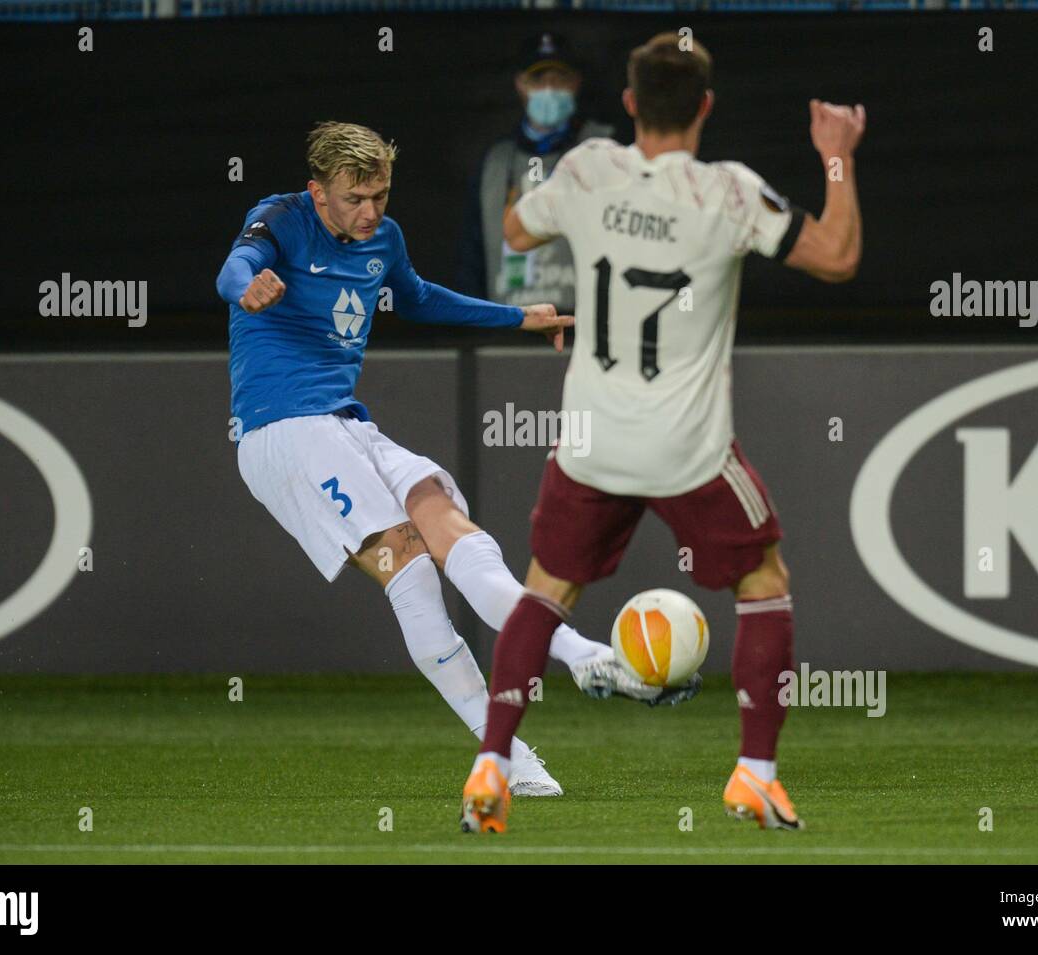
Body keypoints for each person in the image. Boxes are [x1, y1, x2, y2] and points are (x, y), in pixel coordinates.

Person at [460, 32, 865, 832]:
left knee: (546, 590)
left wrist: (584, 203)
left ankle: (492, 762)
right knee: (763, 583)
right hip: (686, 447)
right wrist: (837, 156)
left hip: (592, 439)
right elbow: (839, 254)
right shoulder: (729, 192)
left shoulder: (587, 169)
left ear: (632, 104)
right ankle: (754, 773)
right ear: (706, 108)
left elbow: (512, 232)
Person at [215, 122, 687, 799]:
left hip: (348, 425)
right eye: (355, 197)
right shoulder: (281, 219)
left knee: (454, 531)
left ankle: (586, 659)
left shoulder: (384, 236)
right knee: (411, 575)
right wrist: (245, 287)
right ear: (319, 193)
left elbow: (421, 298)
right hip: (281, 433)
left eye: (380, 193)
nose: (371, 210)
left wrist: (519, 318)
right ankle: (511, 754)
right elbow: (233, 266)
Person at [457, 33, 614, 315]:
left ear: (576, 83)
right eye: (539, 80)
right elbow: (471, 258)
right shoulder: (494, 162)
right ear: (520, 85)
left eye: (559, 79)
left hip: (584, 327)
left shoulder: (604, 151)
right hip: (507, 329)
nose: (549, 89)